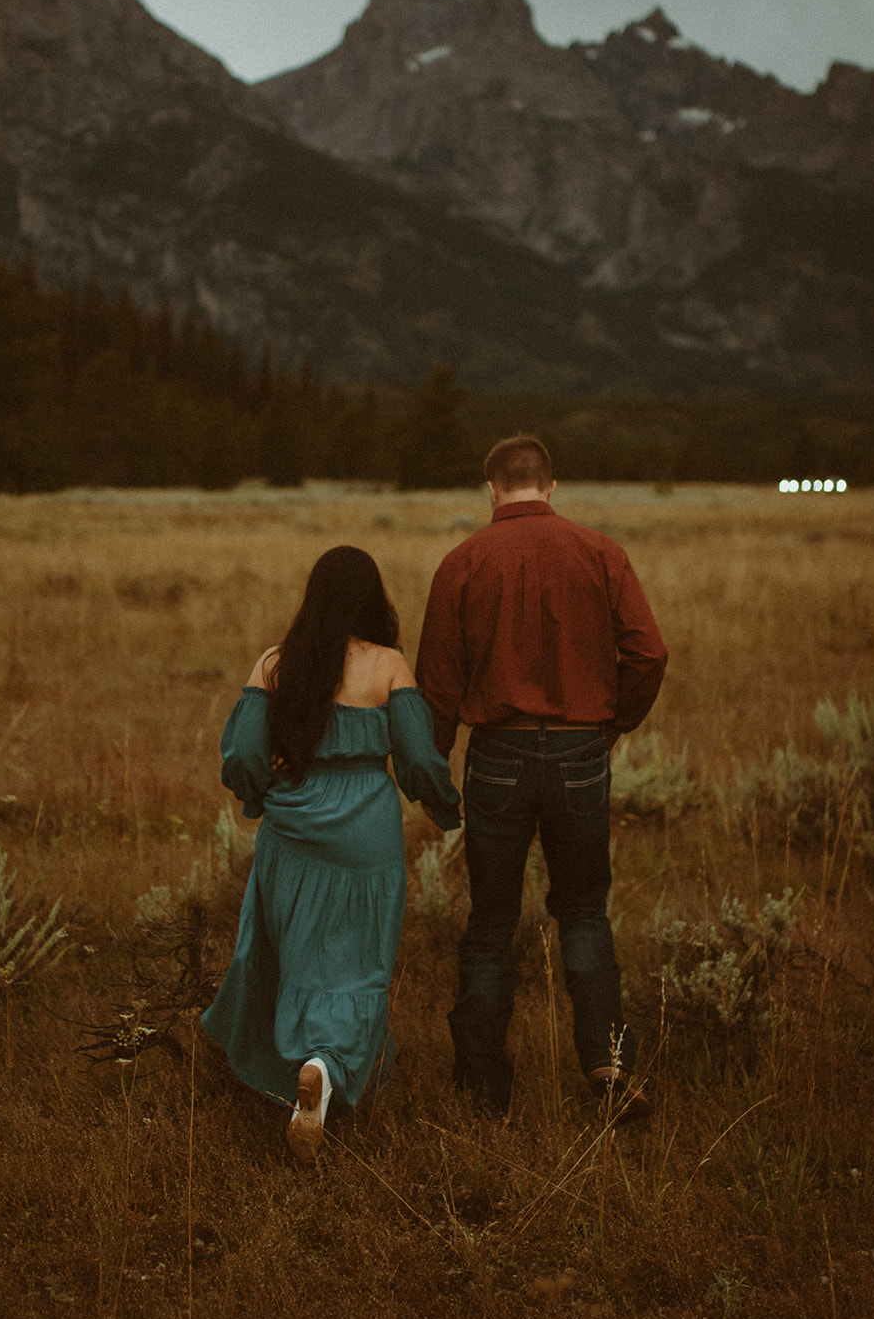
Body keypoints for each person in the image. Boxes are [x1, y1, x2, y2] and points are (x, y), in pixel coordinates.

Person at [415, 435, 668, 1117]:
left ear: (491, 488)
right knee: (583, 911)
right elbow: (649, 653)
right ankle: (607, 1066)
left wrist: (433, 769)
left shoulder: (463, 561)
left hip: (498, 754)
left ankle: (481, 1082)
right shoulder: (600, 552)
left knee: (491, 919)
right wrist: (612, 724)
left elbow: (437, 683)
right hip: (582, 751)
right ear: (550, 486)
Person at [202, 545, 462, 1161]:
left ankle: (305, 1063)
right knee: (360, 961)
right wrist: (444, 805)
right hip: (366, 829)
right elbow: (418, 757)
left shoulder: (274, 663)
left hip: (292, 827)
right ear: (373, 599)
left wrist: (262, 796)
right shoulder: (388, 665)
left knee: (294, 954)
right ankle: (326, 1063)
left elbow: (242, 754)